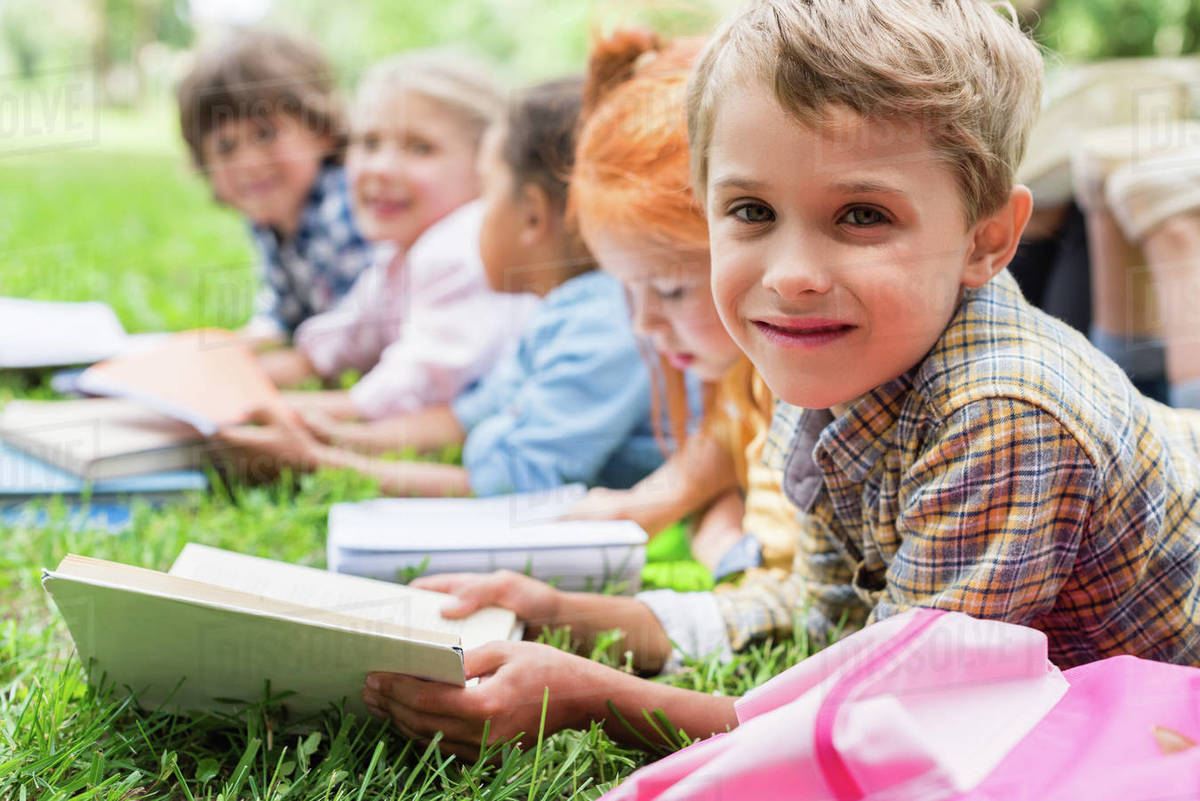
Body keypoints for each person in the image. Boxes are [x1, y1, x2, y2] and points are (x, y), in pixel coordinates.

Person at [362, 0, 1200, 758]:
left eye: (863, 215)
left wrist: (594, 700)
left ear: (986, 239)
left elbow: (890, 713)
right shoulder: (833, 371)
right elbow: (822, 619)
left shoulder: (1003, 417)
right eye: (752, 211)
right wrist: (574, 615)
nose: (792, 274)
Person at [217, 78, 663, 498]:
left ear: (532, 216)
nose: (470, 219)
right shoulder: (561, 311)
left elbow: (508, 489)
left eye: (486, 192)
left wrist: (318, 462)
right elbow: (464, 419)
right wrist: (327, 433)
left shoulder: (603, 326)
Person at [256, 52, 537, 422]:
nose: (381, 168)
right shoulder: (399, 252)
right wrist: (233, 375)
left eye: (420, 147)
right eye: (369, 143)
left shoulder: (461, 248)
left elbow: (410, 392)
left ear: (489, 166)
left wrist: (256, 411)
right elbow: (337, 344)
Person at [177, 29, 381, 342]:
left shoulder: (344, 207)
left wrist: (303, 361)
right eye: (225, 147)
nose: (248, 163)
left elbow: (370, 325)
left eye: (265, 134)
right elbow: (289, 313)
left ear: (323, 129)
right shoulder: (272, 220)